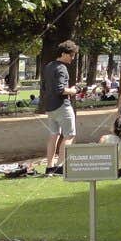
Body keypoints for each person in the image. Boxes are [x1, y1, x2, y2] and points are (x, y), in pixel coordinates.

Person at [40, 40, 82, 176]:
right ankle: (60, 166)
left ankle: (49, 167)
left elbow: (45, 87)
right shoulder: (61, 68)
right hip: (62, 106)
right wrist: (74, 91)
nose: (73, 58)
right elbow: (60, 90)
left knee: (54, 135)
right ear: (63, 54)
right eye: (71, 55)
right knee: (69, 135)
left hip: (50, 107)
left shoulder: (48, 66)